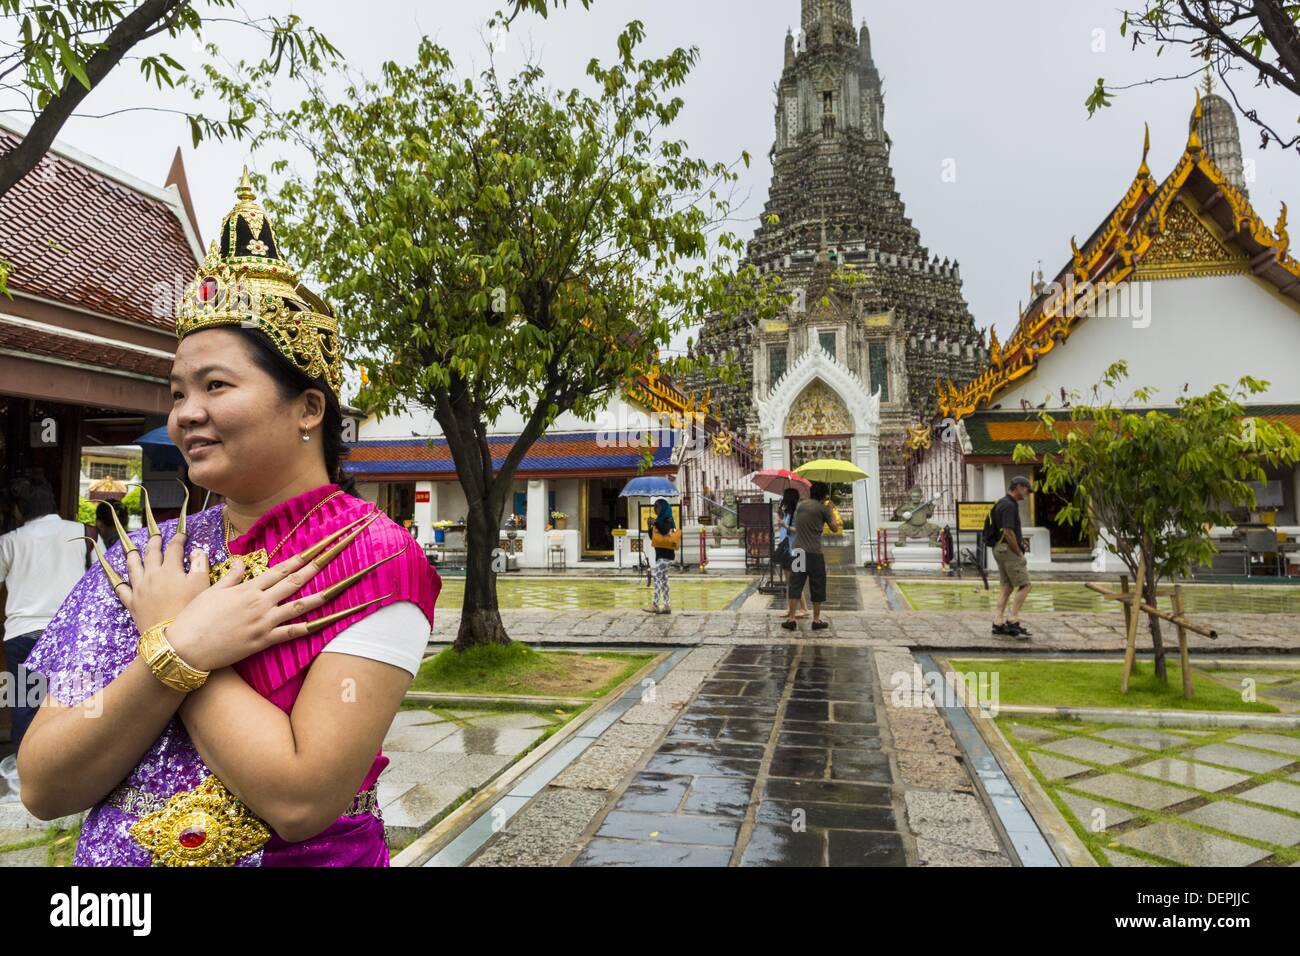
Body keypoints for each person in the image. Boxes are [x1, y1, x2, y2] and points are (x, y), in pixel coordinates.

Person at [16, 170, 441, 866]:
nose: (186, 412)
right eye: (178, 391)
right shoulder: (147, 557)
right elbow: (43, 781)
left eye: (217, 385)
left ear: (308, 408)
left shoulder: (371, 557)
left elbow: (301, 799)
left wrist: (174, 637)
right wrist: (176, 648)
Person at [0, 477, 87, 802]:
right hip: (74, 635)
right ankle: (79, 777)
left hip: (23, 636)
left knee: (25, 706)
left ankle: (28, 784)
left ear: (20, 509)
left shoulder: (11, 540)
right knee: (80, 704)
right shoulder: (83, 533)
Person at [782, 481, 841, 632]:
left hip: (798, 552)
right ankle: (816, 620)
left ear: (810, 492)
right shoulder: (823, 509)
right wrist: (830, 513)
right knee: (817, 585)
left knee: (795, 584)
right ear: (823, 495)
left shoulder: (800, 506)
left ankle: (792, 618)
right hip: (815, 553)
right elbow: (834, 528)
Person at [989, 476, 1033, 639]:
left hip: (998, 549)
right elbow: (1008, 531)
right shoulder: (1009, 505)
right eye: (1027, 490)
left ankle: (998, 622)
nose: (1027, 494)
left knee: (1007, 586)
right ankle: (1013, 619)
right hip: (1007, 549)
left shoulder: (1001, 502)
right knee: (1025, 585)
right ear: (1019, 487)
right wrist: (1019, 553)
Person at [775, 488, 810, 619]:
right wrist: (781, 522)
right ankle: (792, 608)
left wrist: (785, 526)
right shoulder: (788, 513)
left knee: (795, 582)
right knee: (789, 582)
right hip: (787, 550)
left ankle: (801, 608)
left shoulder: (797, 512)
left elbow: (799, 530)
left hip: (796, 551)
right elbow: (785, 529)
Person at [642, 499, 676, 615]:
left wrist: (655, 523)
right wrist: (649, 527)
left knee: (657, 577)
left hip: (666, 554)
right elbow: (654, 537)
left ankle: (655, 604)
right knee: (664, 580)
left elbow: (665, 530)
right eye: (655, 508)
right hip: (660, 553)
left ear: (663, 508)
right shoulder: (659, 520)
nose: (656, 510)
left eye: (658, 508)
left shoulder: (668, 519)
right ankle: (667, 605)